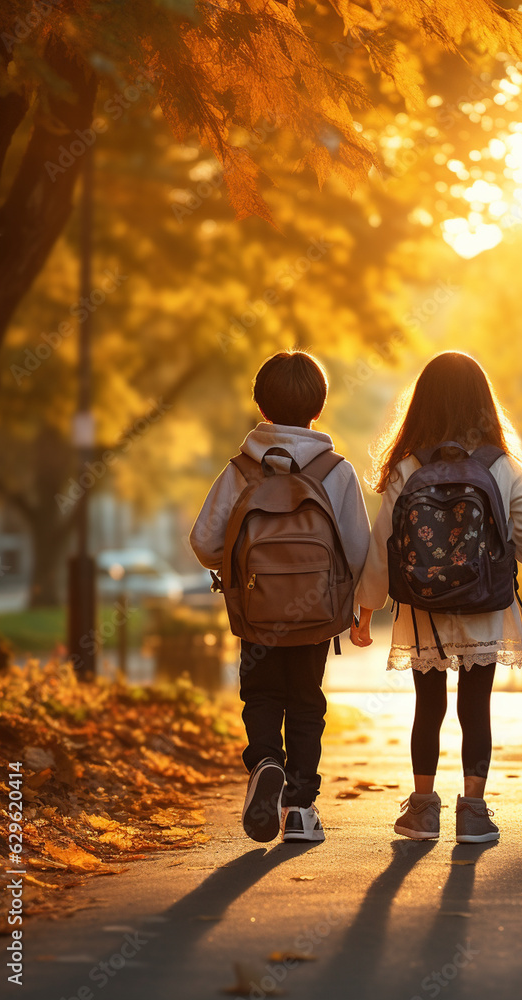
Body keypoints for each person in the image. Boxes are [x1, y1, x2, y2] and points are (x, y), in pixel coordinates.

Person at [350, 352, 522, 843]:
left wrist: (365, 612)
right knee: (476, 707)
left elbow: (384, 545)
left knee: (428, 706)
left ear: (420, 405)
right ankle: (474, 812)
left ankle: (422, 811)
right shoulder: (499, 463)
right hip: (485, 606)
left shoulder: (407, 466)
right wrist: (510, 554)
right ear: (482, 402)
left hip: (424, 612)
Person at [191, 350, 370, 844]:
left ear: (261, 405)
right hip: (315, 613)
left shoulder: (240, 471)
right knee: (307, 703)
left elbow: (204, 542)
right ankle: (300, 808)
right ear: (319, 406)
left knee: (262, 694)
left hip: (256, 610)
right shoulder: (336, 471)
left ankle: (265, 762)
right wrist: (350, 604)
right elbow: (358, 549)